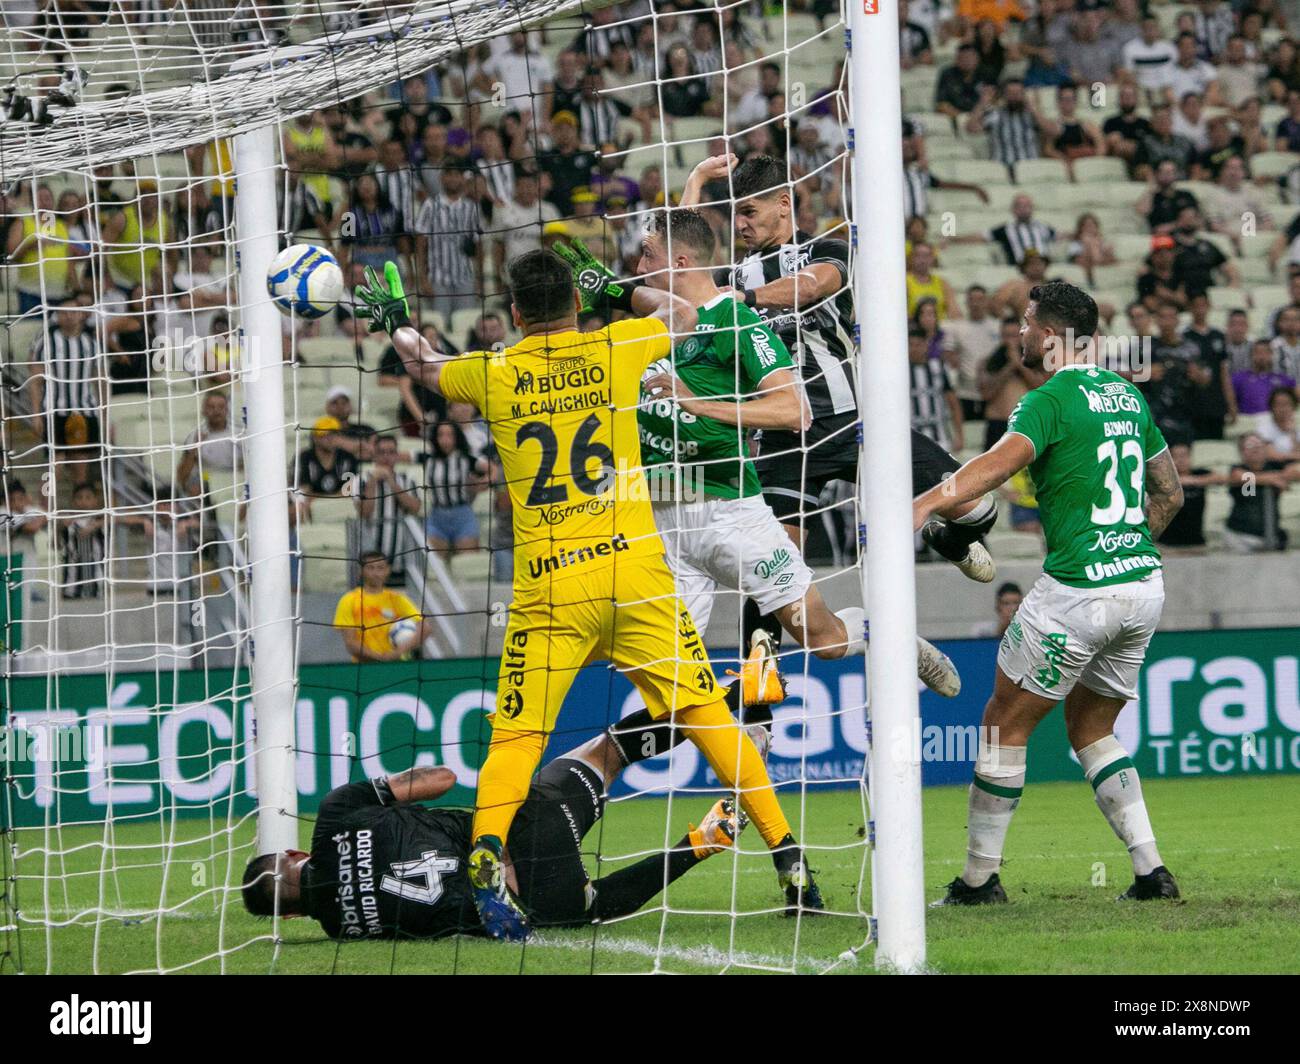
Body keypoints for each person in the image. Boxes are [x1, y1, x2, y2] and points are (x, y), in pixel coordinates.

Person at [351, 250, 825, 940]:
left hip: (550, 587)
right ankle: (790, 859)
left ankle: (485, 856)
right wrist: (623, 289)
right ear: (576, 303)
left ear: (515, 313)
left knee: (515, 739)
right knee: (703, 715)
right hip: (633, 575)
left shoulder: (496, 369)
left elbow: (424, 364)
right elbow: (688, 314)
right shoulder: (618, 343)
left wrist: (395, 323)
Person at [596, 211, 958, 694]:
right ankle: (746, 742)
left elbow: (794, 409)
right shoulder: (656, 322)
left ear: (679, 261)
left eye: (647, 255)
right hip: (665, 519)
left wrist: (696, 401)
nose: (637, 266)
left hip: (732, 515)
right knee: (662, 677)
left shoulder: (735, 320)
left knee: (823, 641)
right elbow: (668, 248)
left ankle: (890, 637)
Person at [913, 281, 1186, 905]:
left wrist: (927, 501)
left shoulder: (1049, 398)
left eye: (1029, 323)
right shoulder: (1127, 396)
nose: (1021, 333)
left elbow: (995, 467)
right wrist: (1125, 547)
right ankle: (1151, 873)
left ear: (1054, 336)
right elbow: (1169, 491)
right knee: (1091, 726)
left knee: (1002, 723)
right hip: (1143, 586)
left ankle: (980, 881)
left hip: (1079, 590)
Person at [680, 155, 998, 629]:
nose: (739, 223)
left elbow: (812, 286)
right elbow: (678, 267)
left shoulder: (824, 250)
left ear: (783, 205)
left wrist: (741, 299)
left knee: (980, 509)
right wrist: (696, 181)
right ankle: (759, 692)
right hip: (783, 436)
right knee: (774, 576)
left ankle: (943, 534)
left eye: (748, 211)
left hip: (853, 424)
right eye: (734, 214)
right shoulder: (731, 276)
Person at [240, 702, 754, 938]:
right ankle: (729, 700)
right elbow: (440, 778)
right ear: (293, 854)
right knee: (610, 751)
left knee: (592, 908)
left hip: (522, 902)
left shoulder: (343, 931)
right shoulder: (333, 817)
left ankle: (700, 842)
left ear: (291, 916)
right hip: (518, 830)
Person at [27, 296, 103, 487]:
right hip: (54, 410)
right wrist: (36, 414)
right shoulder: (45, 341)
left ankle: (81, 514)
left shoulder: (91, 344)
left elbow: (100, 381)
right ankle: (46, 508)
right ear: (57, 316)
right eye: (63, 312)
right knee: (54, 467)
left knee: (81, 467)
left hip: (85, 409)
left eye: (73, 312)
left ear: (81, 315)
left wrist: (104, 414)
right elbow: (35, 381)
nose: (69, 316)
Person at [333, 551, 431, 662]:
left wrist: (397, 653)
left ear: (387, 570)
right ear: (360, 571)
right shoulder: (349, 600)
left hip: (396, 665)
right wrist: (380, 658)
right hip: (362, 667)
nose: (376, 573)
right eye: (370, 568)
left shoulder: (397, 599)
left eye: (380, 568)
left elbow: (425, 628)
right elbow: (350, 643)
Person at [421, 418, 490, 563]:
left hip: (462, 514)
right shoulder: (427, 458)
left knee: (467, 563)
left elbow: (492, 469)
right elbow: (400, 456)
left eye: (449, 435)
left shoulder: (466, 459)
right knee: (436, 566)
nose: (445, 439)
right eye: (441, 435)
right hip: (437, 515)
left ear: (457, 437)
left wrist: (481, 483)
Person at [358, 434, 421, 585]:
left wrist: (392, 483)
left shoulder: (407, 480)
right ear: (374, 455)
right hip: (371, 558)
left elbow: (414, 508)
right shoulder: (361, 480)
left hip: (401, 555)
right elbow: (364, 512)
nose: (386, 457)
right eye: (382, 452)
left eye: (391, 452)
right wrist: (373, 482)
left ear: (397, 455)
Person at [1225, 433, 1295, 551]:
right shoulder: (1238, 468)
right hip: (1240, 536)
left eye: (1259, 445)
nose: (1255, 449)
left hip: (1270, 535)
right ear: (1242, 452)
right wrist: (1273, 479)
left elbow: (1295, 471)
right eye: (1250, 446)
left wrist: (1278, 463)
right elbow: (1240, 477)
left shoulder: (1273, 466)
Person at [1158, 440, 1225, 548]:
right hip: (1167, 542)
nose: (1181, 460)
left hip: (1196, 540)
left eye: (1184, 455)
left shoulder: (1200, 472)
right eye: (1176, 456)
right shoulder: (1163, 475)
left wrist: (1192, 480)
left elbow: (1221, 478)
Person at [1233, 338, 1297, 415]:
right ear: (1251, 355)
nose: (1262, 356)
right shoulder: (1238, 379)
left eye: (1266, 352)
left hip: (1276, 422)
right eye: (1258, 352)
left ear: (1272, 355)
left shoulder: (1284, 380)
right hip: (1248, 423)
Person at [1258, 385, 1300, 461]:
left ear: (1294, 406)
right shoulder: (1264, 428)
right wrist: (1295, 456)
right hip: (1274, 467)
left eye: (1287, 404)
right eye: (1279, 404)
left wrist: (1292, 433)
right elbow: (1272, 456)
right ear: (1272, 407)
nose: (1283, 409)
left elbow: (1298, 452)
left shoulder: (1296, 428)